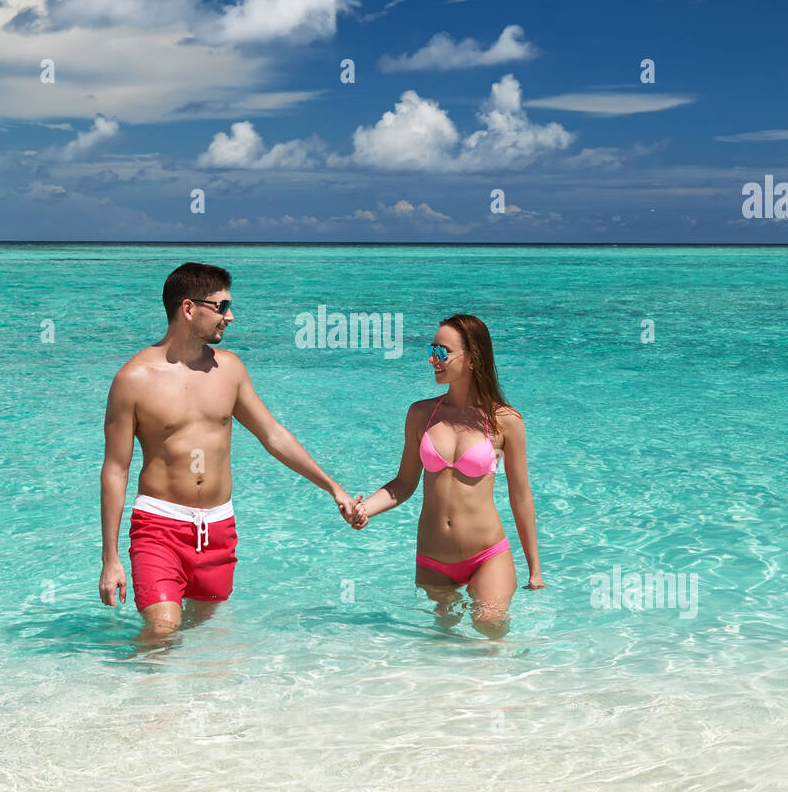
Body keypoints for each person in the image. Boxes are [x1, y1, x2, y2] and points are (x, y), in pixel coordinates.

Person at [99, 262, 356, 635]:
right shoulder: (133, 379)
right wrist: (110, 558)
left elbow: (273, 435)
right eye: (221, 306)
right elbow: (115, 469)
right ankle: (139, 691)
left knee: (202, 636)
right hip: (159, 526)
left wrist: (334, 488)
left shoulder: (230, 369)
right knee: (162, 631)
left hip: (219, 529)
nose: (230, 317)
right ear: (188, 308)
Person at [351, 314, 543, 621]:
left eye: (443, 352)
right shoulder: (421, 413)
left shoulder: (506, 421)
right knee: (440, 646)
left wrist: (535, 569)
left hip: (487, 556)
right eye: (431, 350)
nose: (432, 359)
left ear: (472, 358)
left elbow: (520, 497)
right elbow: (404, 483)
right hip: (432, 560)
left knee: (490, 628)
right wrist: (365, 510)